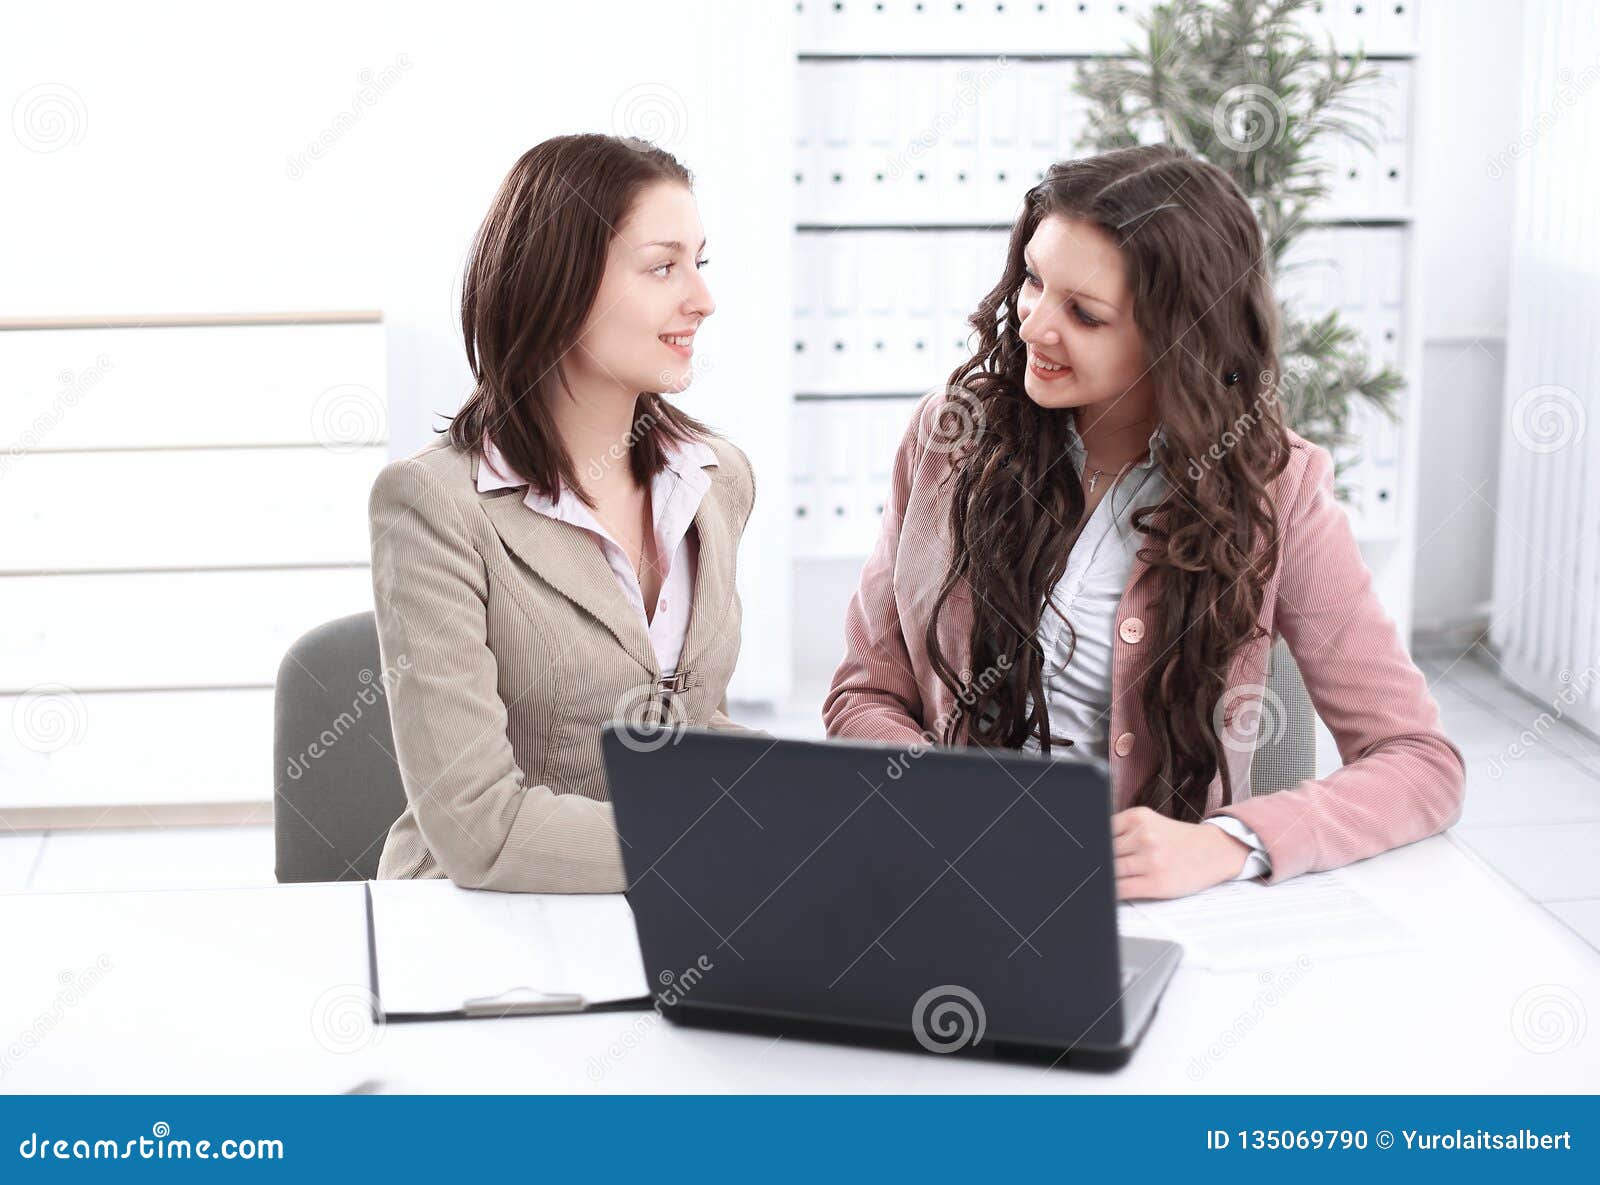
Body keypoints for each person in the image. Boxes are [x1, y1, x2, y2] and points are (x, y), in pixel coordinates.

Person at [824, 144, 1464, 901]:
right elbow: (862, 695)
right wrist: (948, 797)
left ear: (1178, 340)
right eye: (1032, 280)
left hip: (1151, 915)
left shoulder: (1278, 490)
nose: (1032, 327)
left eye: (1084, 314)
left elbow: (1419, 760)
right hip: (951, 881)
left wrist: (1227, 845)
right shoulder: (950, 437)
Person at [369, 134, 754, 892]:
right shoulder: (433, 506)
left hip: (669, 909)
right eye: (663, 267)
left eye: (699, 264)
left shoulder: (716, 481)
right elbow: (480, 828)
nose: (702, 300)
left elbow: (699, 727)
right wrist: (724, 847)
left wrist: (813, 808)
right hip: (483, 917)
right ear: (561, 283)